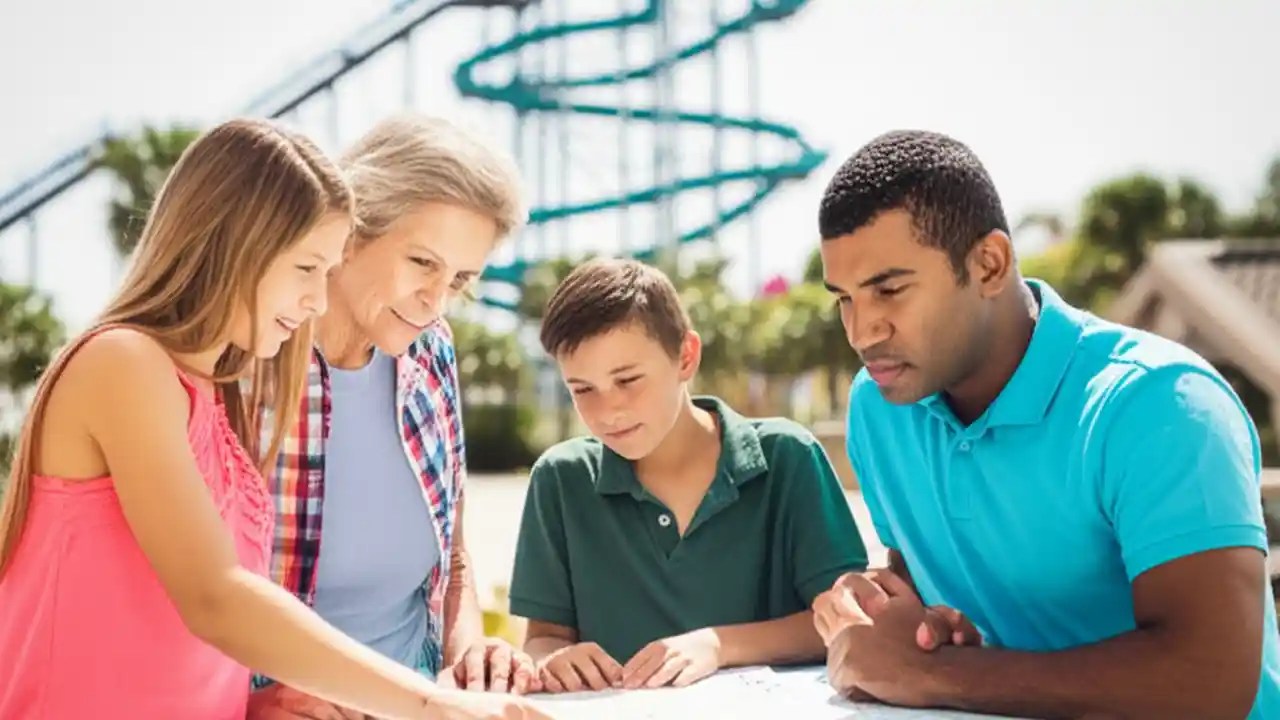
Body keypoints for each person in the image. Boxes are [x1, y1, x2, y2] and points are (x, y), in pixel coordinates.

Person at [0, 118, 549, 720]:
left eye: (461, 281)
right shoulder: (131, 366)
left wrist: (261, 700)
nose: (317, 299)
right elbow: (216, 597)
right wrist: (429, 705)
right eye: (307, 268)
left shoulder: (208, 394)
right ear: (242, 248)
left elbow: (184, 643)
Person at [811, 129, 1280, 719]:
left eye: (889, 290)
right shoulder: (879, 407)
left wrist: (932, 674)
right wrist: (887, 609)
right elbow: (924, 585)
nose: (861, 332)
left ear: (989, 264)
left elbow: (1209, 681)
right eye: (845, 299)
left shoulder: (1161, 405)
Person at [247, 114, 539, 719]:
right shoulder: (250, 363)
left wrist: (471, 655)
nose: (436, 300)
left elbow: (452, 561)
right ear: (352, 232)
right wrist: (244, 703)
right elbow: (183, 591)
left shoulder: (432, 352)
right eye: (423, 263)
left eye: (460, 280)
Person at [510, 257, 869, 693]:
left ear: (685, 356)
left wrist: (719, 644)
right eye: (582, 389)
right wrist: (553, 658)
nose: (608, 411)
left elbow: (845, 620)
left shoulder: (788, 458)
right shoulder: (560, 479)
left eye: (628, 380)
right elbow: (543, 638)